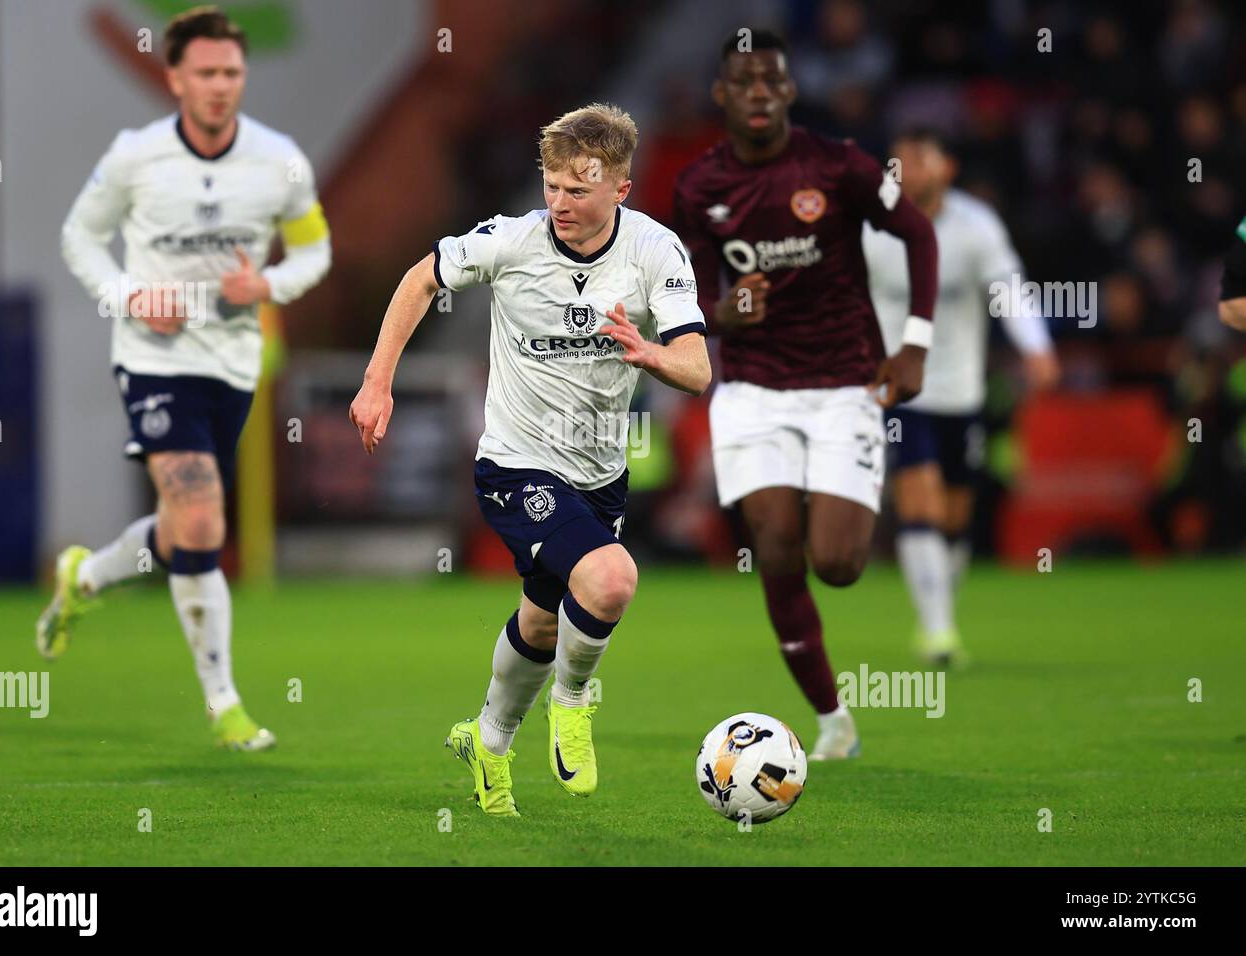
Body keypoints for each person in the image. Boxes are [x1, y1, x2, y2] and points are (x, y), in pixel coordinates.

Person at [349, 104, 710, 816]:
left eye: (578, 189)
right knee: (610, 580)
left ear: (620, 190)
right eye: (551, 186)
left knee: (544, 623)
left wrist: (650, 355)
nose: (559, 204)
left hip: (599, 475)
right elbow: (423, 278)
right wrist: (376, 379)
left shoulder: (656, 252)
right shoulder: (510, 241)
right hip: (516, 464)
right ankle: (572, 706)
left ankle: (488, 740)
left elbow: (697, 370)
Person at [41, 5, 331, 750]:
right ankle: (224, 706)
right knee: (202, 518)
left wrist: (267, 285)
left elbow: (313, 251)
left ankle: (87, 579)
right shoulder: (136, 157)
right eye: (204, 72)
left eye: (231, 72)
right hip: (152, 357)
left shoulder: (278, 161)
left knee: (183, 529)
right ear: (174, 77)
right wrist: (128, 295)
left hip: (231, 362)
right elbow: (80, 235)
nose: (219, 86)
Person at [673, 30, 937, 759]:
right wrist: (725, 317)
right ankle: (832, 721)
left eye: (771, 79)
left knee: (839, 565)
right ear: (723, 95)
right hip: (753, 393)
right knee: (778, 548)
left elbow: (918, 234)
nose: (759, 91)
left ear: (789, 90)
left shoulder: (840, 165)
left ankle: (836, 490)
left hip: (844, 386)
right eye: (743, 81)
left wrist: (914, 342)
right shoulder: (699, 188)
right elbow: (689, 301)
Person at [862, 128, 1058, 665]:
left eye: (919, 160)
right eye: (899, 161)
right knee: (918, 496)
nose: (907, 171)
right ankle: (938, 631)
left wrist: (1036, 347)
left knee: (955, 515)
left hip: (962, 391)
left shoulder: (976, 226)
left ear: (946, 167)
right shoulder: (871, 224)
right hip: (898, 388)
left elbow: (1008, 289)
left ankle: (939, 614)